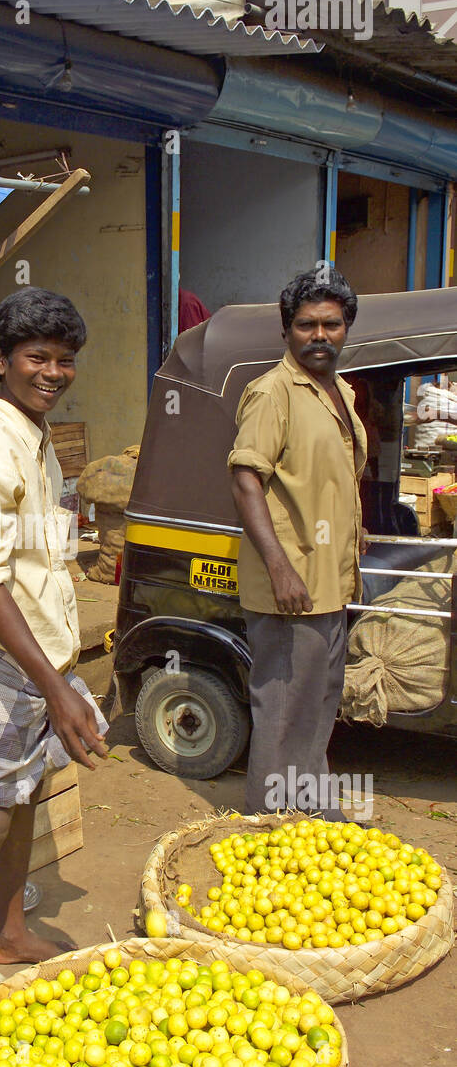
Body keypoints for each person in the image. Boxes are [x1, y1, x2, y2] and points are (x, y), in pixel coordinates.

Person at [0, 286, 109, 1063]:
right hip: (3, 663)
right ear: (1, 361)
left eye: (65, 361)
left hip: (42, 660)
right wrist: (55, 685)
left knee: (29, 788)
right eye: (37, 358)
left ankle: (8, 933)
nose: (53, 372)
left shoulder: (36, 437)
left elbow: (35, 558)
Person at [228, 268, 367, 821]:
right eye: (306, 325)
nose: (319, 335)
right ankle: (267, 833)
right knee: (284, 714)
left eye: (331, 324)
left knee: (315, 709)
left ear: (346, 327)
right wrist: (281, 567)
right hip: (292, 590)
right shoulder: (272, 393)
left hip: (330, 583)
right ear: (287, 330)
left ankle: (309, 820)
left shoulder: (340, 391)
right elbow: (245, 480)